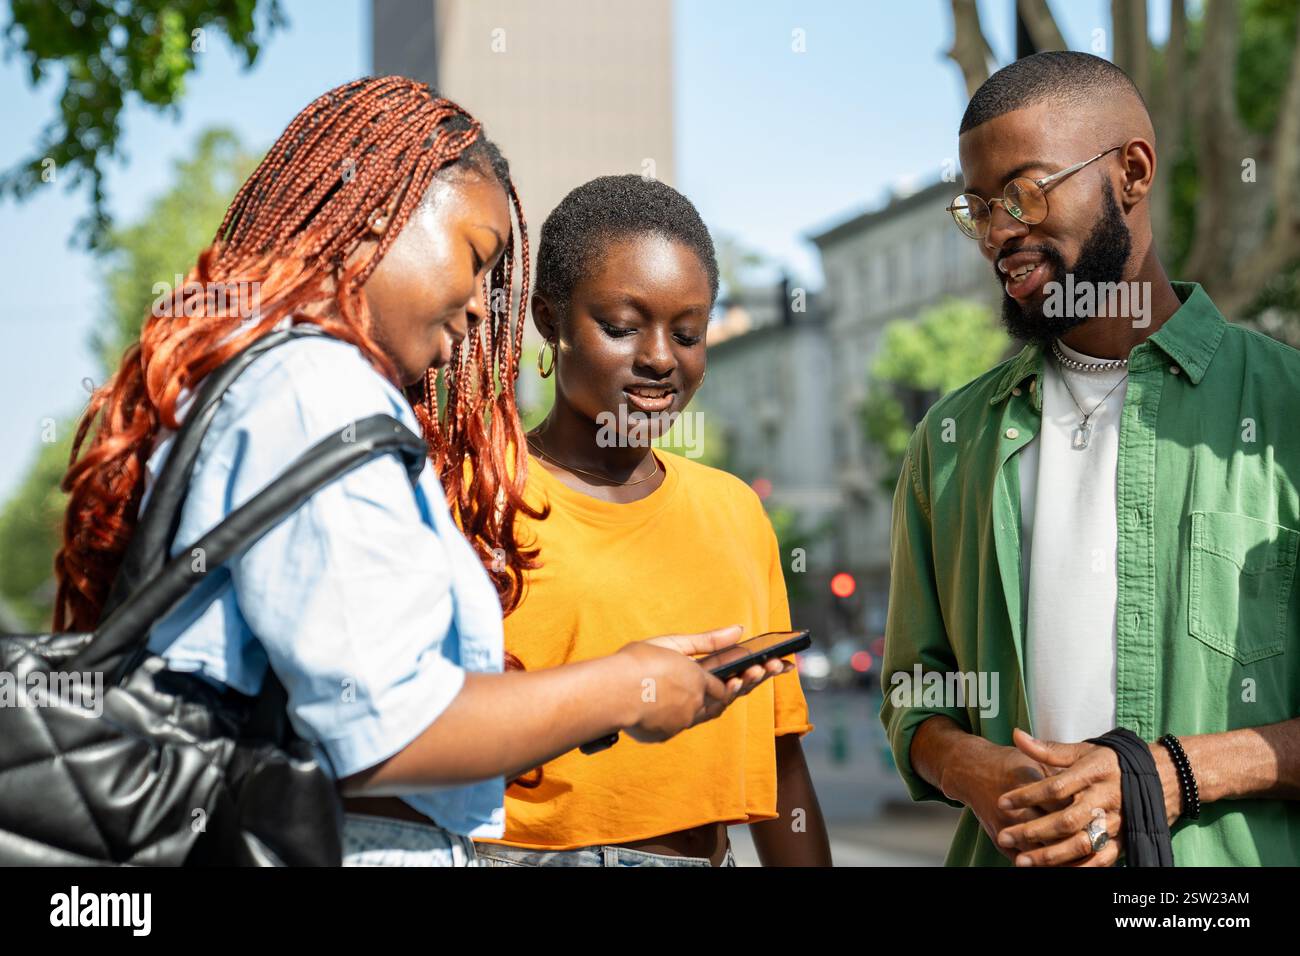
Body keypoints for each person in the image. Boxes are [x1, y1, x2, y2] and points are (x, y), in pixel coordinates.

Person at [54, 77, 781, 868]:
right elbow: (385, 730)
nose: (478, 306)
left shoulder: (286, 382)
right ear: (377, 219)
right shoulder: (314, 392)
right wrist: (628, 687)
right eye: (476, 260)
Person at [880, 51, 1300, 866]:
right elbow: (913, 692)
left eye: (1024, 193)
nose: (1000, 232)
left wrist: (1170, 775)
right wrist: (965, 763)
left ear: (1132, 173)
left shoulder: (1285, 415)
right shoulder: (951, 442)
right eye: (978, 209)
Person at [472, 175, 831, 867]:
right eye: (622, 327)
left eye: (688, 332)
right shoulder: (475, 493)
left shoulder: (733, 510)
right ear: (550, 320)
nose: (661, 358)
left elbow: (780, 753)